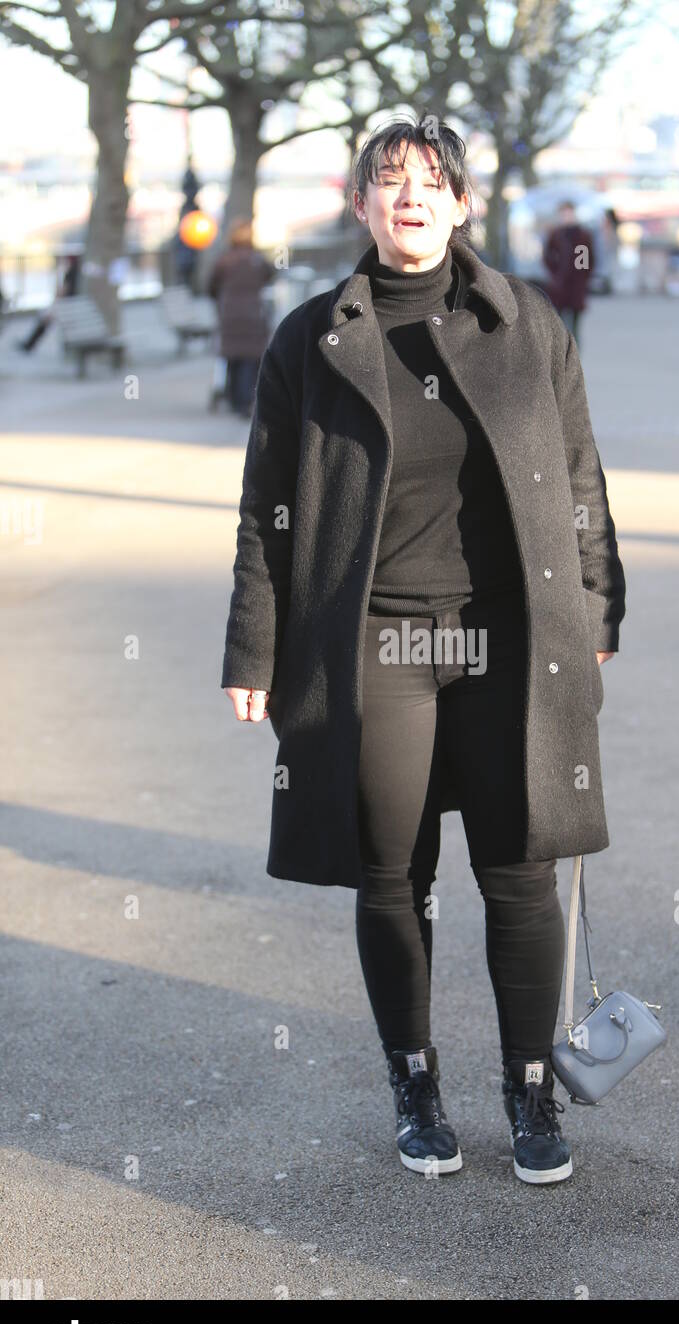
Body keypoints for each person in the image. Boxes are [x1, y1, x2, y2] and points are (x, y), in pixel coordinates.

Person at [220, 115, 626, 1186]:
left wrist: (594, 612)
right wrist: (253, 649)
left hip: (506, 638)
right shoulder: (310, 337)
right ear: (358, 204)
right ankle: (413, 1081)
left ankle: (530, 1089)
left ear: (460, 205)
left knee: (520, 869)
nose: (409, 195)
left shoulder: (524, 323)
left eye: (430, 180)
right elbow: (266, 506)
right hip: (374, 643)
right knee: (391, 874)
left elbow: (580, 480)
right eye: (387, 179)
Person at [206, 218, 274, 416]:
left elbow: (211, 286)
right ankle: (246, 400)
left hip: (229, 314)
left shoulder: (224, 260)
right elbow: (270, 275)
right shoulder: (257, 259)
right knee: (250, 358)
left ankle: (234, 397)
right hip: (253, 314)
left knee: (232, 356)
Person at [541, 200, 595, 346]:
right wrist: (556, 273)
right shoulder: (556, 235)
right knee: (559, 324)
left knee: (575, 326)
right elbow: (548, 257)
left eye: (568, 213)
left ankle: (575, 355)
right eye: (563, 214)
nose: (566, 217)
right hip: (559, 286)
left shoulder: (582, 235)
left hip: (575, 287)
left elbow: (585, 261)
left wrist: (581, 278)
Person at [17, 252, 81, 353]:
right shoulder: (76, 271)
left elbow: (62, 292)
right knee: (45, 319)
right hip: (69, 305)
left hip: (66, 306)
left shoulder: (71, 272)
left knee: (46, 319)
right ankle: (29, 344)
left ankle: (29, 344)